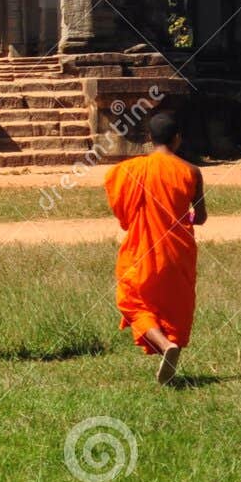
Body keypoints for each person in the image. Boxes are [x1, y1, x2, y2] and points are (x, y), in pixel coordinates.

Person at [103, 111, 206, 385]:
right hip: (179, 252)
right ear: (177, 139)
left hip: (144, 251)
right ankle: (172, 350)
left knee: (131, 300)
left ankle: (164, 345)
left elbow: (116, 198)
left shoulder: (131, 170)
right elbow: (201, 216)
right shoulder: (192, 172)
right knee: (177, 304)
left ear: (149, 139)